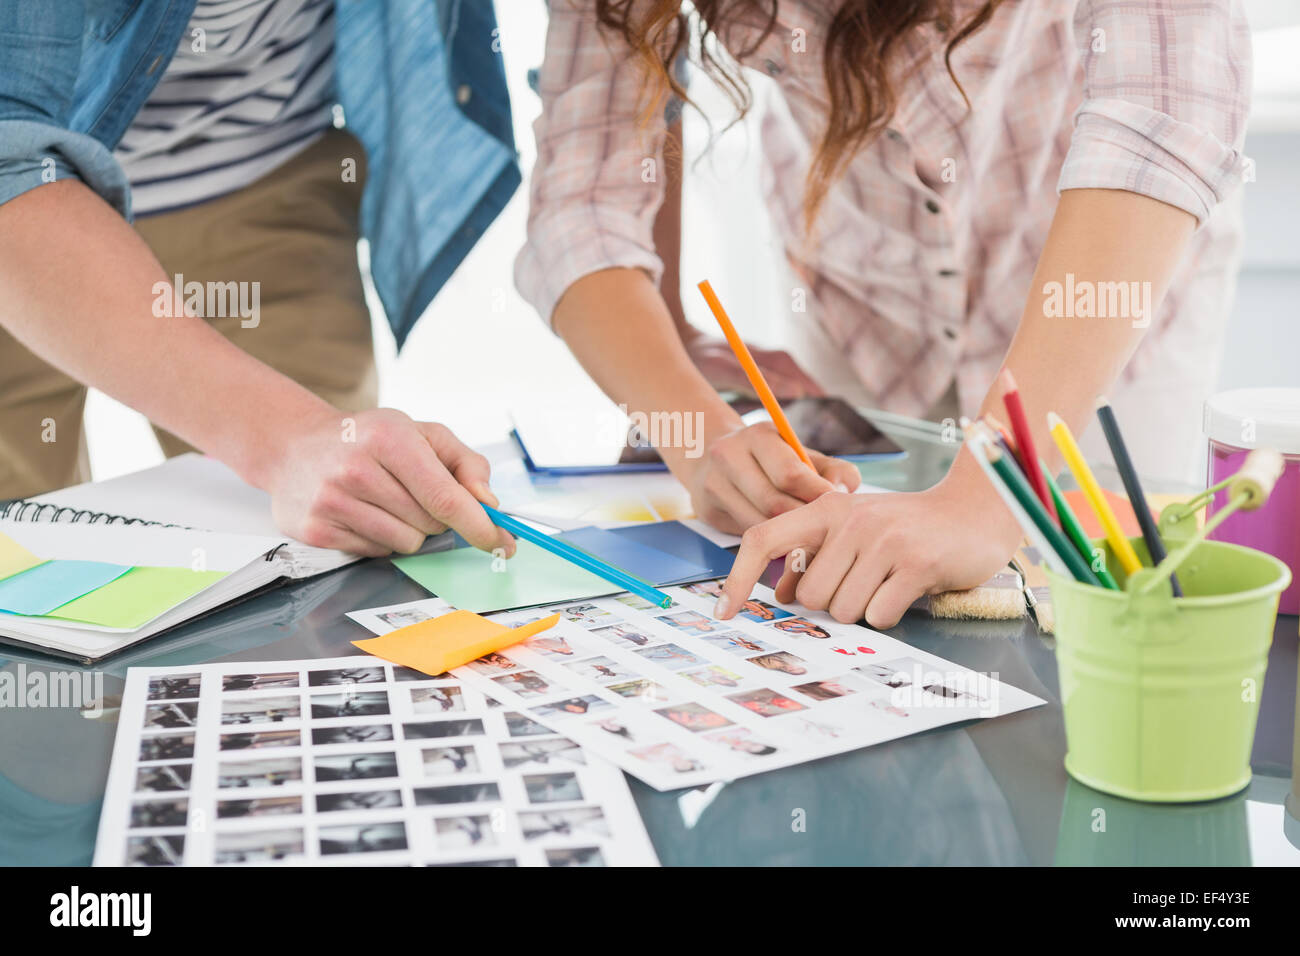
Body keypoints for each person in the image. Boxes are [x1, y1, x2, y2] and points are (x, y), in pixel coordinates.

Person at [517, 1, 1251, 627]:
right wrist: (699, 431)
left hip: (1103, 285)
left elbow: (1163, 107)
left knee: (1096, 634)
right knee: (868, 622)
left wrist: (989, 496)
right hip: (862, 291)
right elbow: (582, 206)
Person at [0, 1, 518, 560]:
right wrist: (290, 440)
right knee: (20, 571)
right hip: (24, 212)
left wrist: (307, 442)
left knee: (334, 553)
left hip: (267, 174)